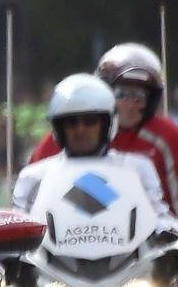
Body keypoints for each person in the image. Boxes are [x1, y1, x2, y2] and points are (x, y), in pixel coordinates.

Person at [30, 43, 178, 213]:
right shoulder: (66, 136)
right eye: (121, 94)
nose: (130, 104)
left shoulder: (166, 136)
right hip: (67, 231)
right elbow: (34, 195)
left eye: (139, 96)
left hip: (148, 233)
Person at [14, 74, 170, 226]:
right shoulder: (34, 176)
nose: (80, 130)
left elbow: (160, 217)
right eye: (71, 122)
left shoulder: (137, 168)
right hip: (51, 252)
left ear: (107, 124)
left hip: (131, 252)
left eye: (90, 121)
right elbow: (18, 224)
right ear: (59, 128)